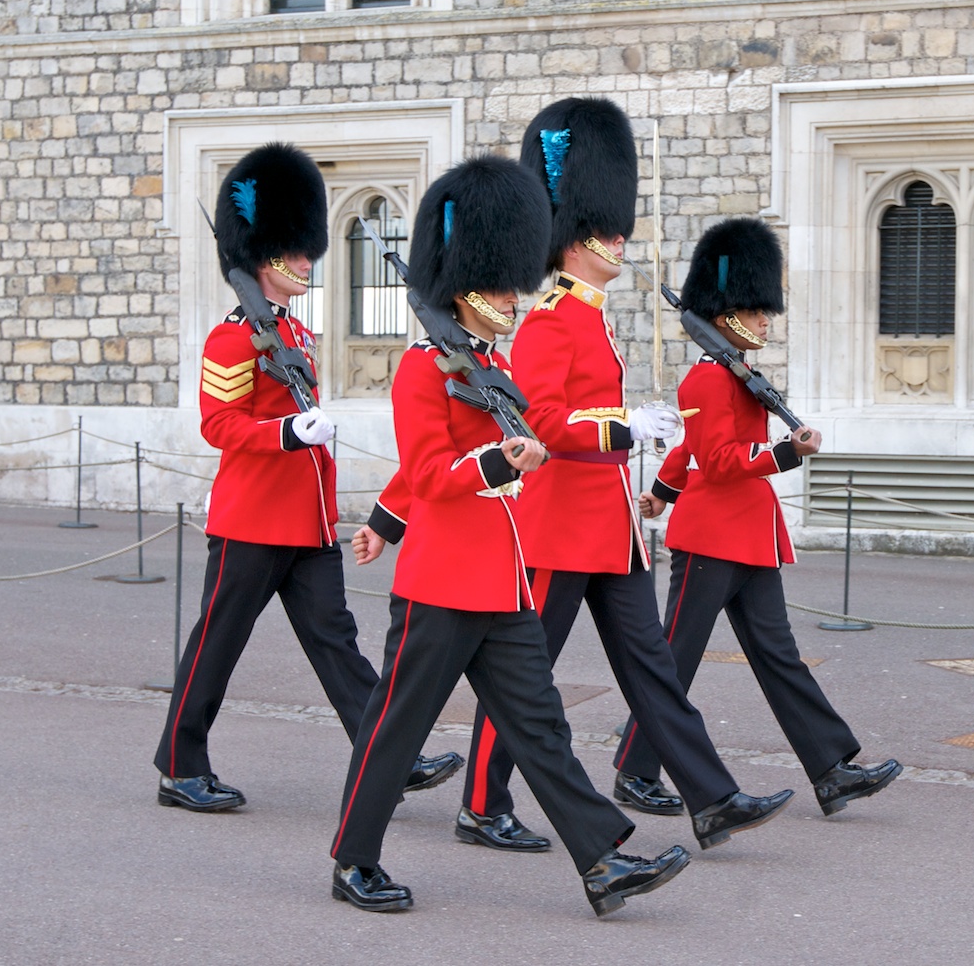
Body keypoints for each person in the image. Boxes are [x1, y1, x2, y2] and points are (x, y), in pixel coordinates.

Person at [328, 154, 689, 917]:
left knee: (542, 727)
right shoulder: (423, 367)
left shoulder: (488, 364)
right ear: (462, 282)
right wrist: (498, 460)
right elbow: (427, 469)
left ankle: (601, 860)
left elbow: (445, 467)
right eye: (497, 283)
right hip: (443, 584)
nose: (510, 295)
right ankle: (353, 858)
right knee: (397, 728)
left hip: (506, 578)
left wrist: (385, 519)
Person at [456, 97, 793, 853]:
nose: (619, 237)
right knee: (525, 674)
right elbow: (540, 422)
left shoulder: (592, 313)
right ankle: (481, 801)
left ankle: (713, 798)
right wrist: (623, 425)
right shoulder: (549, 319)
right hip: (558, 527)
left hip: (608, 528)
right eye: (605, 229)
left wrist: (634, 429)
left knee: (652, 670)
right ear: (573, 237)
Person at [153, 142, 460, 813]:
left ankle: (388, 751)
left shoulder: (292, 332)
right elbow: (219, 425)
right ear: (263, 257)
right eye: (294, 253)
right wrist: (287, 433)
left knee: (337, 639)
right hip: (252, 520)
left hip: (306, 520)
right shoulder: (233, 338)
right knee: (218, 642)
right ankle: (180, 761)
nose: (305, 262)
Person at [622, 217, 902, 817]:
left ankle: (831, 769)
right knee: (676, 658)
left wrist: (662, 492)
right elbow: (716, 458)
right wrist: (783, 453)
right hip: (712, 537)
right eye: (756, 312)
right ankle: (634, 769)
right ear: (726, 316)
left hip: (749, 536)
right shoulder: (705, 376)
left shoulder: (735, 372)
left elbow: (687, 451)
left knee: (780, 656)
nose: (765, 321)